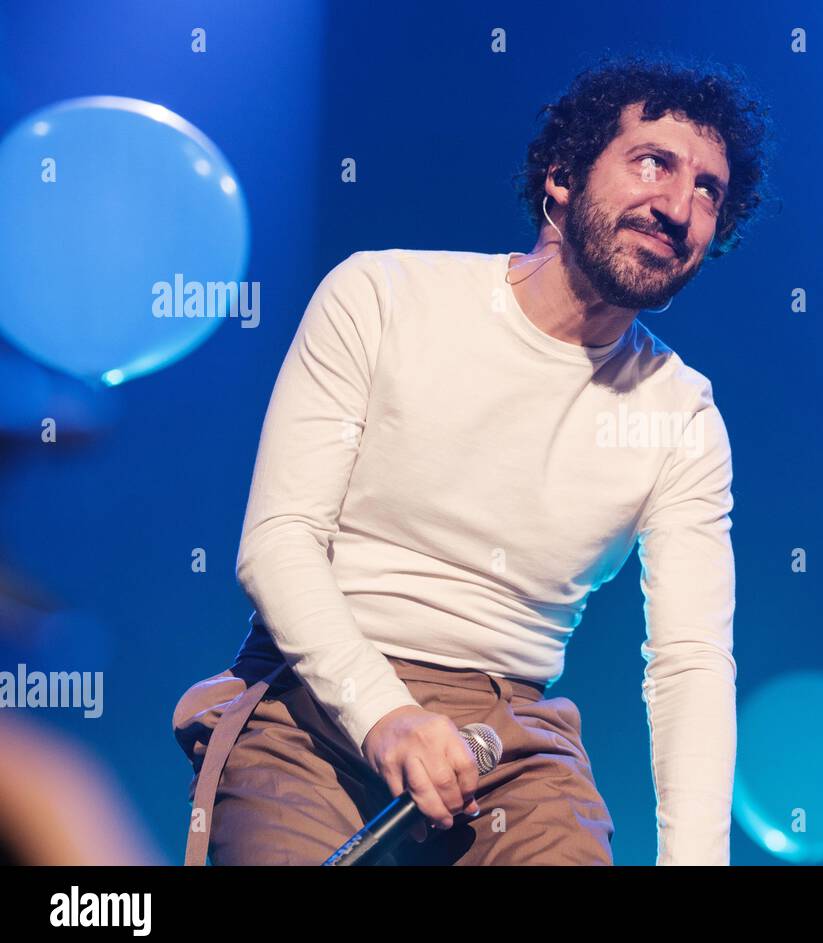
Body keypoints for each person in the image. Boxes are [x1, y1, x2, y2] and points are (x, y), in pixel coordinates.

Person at [173, 51, 774, 866]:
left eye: (708, 189)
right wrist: (384, 714)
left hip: (509, 738)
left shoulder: (683, 414)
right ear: (561, 175)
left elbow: (690, 664)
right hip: (312, 697)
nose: (678, 206)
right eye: (653, 163)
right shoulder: (382, 295)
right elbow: (277, 544)